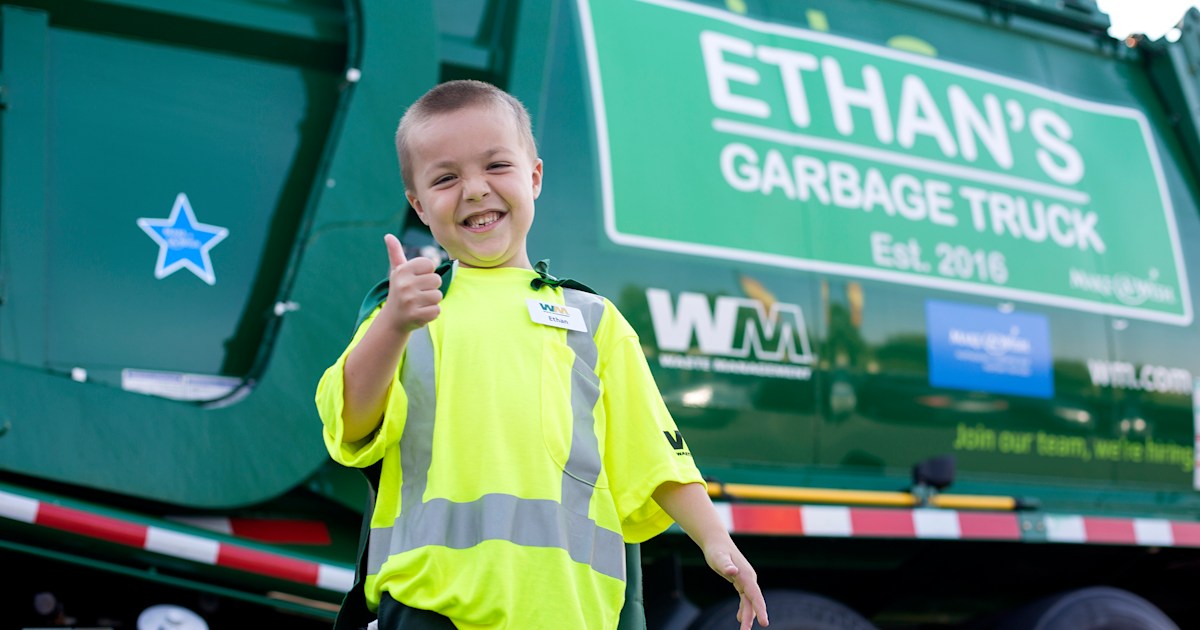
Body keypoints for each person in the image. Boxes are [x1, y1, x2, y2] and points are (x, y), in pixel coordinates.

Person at [315, 79, 769, 630]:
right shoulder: (408, 308)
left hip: (573, 614)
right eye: (445, 178)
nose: (475, 190)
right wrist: (392, 325)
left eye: (496, 167)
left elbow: (657, 455)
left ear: (534, 176)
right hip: (430, 611)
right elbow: (351, 425)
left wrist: (718, 543)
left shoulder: (594, 319)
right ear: (418, 204)